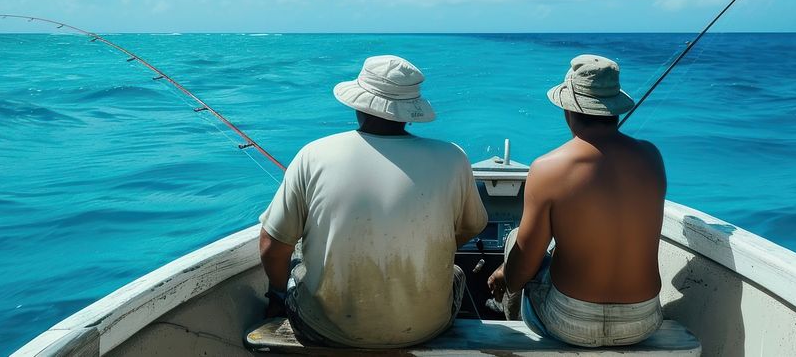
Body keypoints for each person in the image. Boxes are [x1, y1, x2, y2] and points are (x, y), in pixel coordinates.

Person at [258, 55, 488, 349]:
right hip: (428, 328)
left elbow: (271, 248)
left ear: (359, 103)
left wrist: (279, 295)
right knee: (455, 273)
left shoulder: (313, 154)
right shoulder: (453, 158)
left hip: (325, 330)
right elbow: (469, 228)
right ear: (410, 109)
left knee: (292, 266)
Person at [487, 54, 666, 347]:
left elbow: (520, 274)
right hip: (643, 320)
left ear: (568, 110)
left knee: (517, 238)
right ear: (615, 109)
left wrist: (504, 274)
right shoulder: (651, 158)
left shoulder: (547, 168)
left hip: (570, 323)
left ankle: (511, 324)